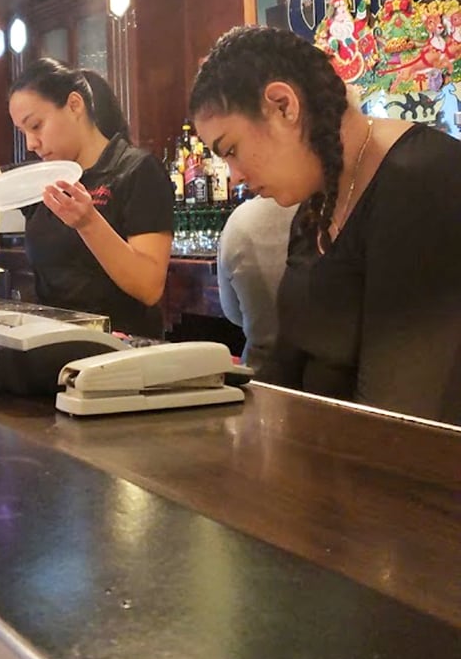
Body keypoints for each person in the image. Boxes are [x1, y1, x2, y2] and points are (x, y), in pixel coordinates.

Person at [189, 25, 461, 424]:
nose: (235, 177)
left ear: (283, 106)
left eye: (231, 150)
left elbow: (399, 422)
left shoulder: (424, 180)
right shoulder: (320, 197)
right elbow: (284, 365)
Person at [0, 60, 173, 337]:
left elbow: (149, 287)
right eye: (23, 132)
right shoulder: (42, 176)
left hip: (122, 346)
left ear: (74, 105)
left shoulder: (136, 169)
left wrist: (88, 223)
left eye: (36, 125)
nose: (31, 143)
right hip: (55, 341)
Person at [217, 196, 297, 371]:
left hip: (259, 369)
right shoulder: (334, 209)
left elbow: (232, 312)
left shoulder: (240, 219)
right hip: (325, 376)